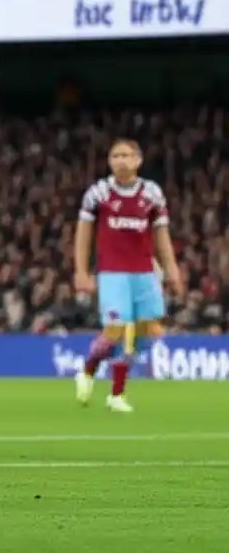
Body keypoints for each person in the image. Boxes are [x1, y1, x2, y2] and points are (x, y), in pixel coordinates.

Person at [73, 138, 183, 412]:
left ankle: (115, 393)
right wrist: (81, 271)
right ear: (110, 161)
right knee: (116, 330)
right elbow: (84, 234)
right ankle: (89, 372)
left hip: (145, 274)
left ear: (138, 160)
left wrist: (172, 270)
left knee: (147, 332)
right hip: (112, 274)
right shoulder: (98, 193)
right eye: (115, 155)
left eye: (126, 155)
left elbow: (161, 236)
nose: (121, 160)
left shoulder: (152, 194)